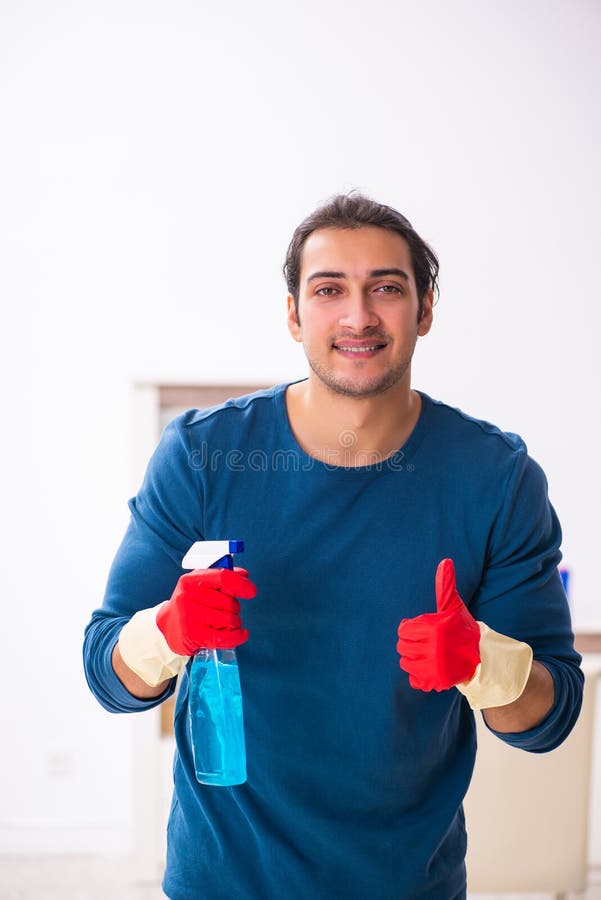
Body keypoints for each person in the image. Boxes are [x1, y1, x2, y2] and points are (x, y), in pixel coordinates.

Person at [83, 193, 583, 900]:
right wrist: (166, 631)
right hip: (224, 882)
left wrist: (484, 664)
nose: (358, 316)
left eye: (386, 288)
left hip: (406, 884)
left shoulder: (495, 479)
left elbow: (550, 717)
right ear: (293, 315)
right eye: (328, 290)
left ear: (425, 310)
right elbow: (107, 675)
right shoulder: (203, 455)